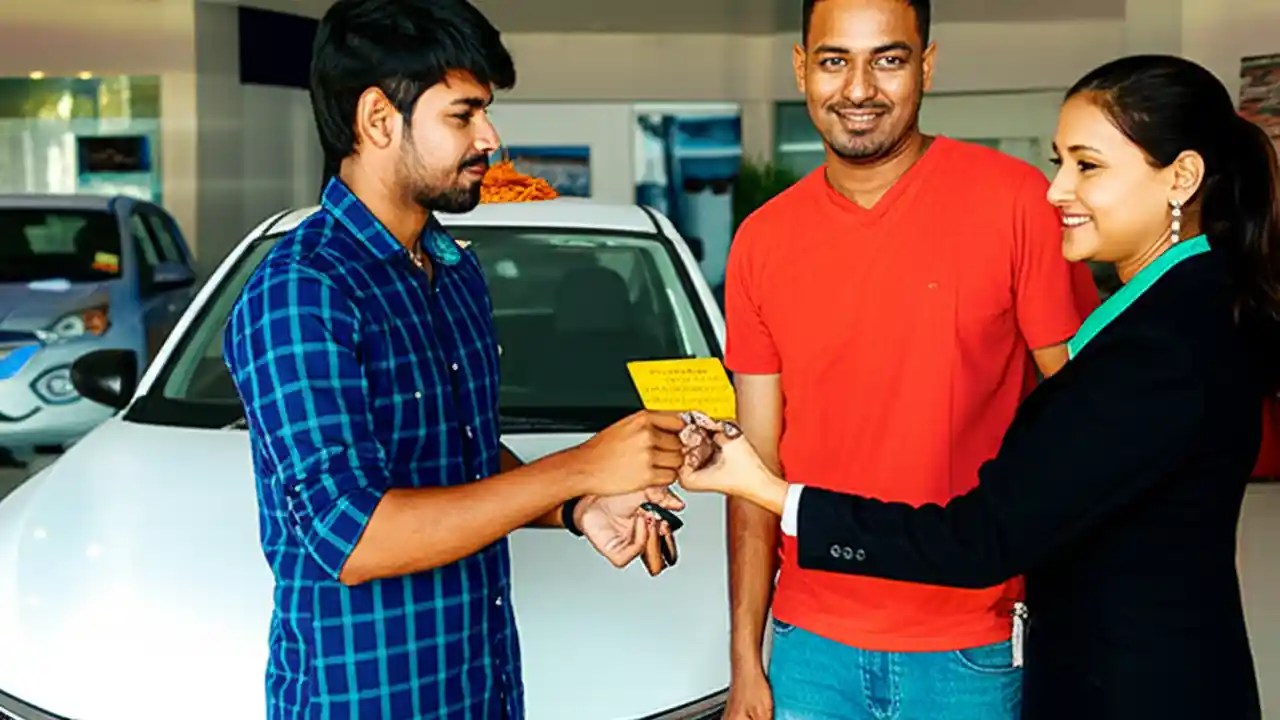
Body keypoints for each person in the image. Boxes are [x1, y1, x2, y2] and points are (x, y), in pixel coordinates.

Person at [680, 53, 1280, 720]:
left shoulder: (1162, 345)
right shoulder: (1177, 311)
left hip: (1132, 688)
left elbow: (979, 541)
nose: (1056, 190)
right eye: (1060, 161)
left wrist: (765, 489)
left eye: (1087, 165)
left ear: (1182, 177)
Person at [222, 1, 684, 718]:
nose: (491, 139)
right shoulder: (301, 293)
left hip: (481, 686)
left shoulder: (453, 271)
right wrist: (588, 463)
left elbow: (460, 455)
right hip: (368, 701)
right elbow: (354, 535)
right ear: (379, 120)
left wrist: (576, 506)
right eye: (463, 115)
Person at [719, 0, 1099, 718]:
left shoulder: (1018, 203)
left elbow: (1089, 429)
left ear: (926, 65)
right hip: (808, 647)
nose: (858, 88)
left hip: (973, 642)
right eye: (835, 60)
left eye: (888, 59)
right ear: (802, 69)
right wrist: (745, 654)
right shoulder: (762, 241)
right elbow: (755, 468)